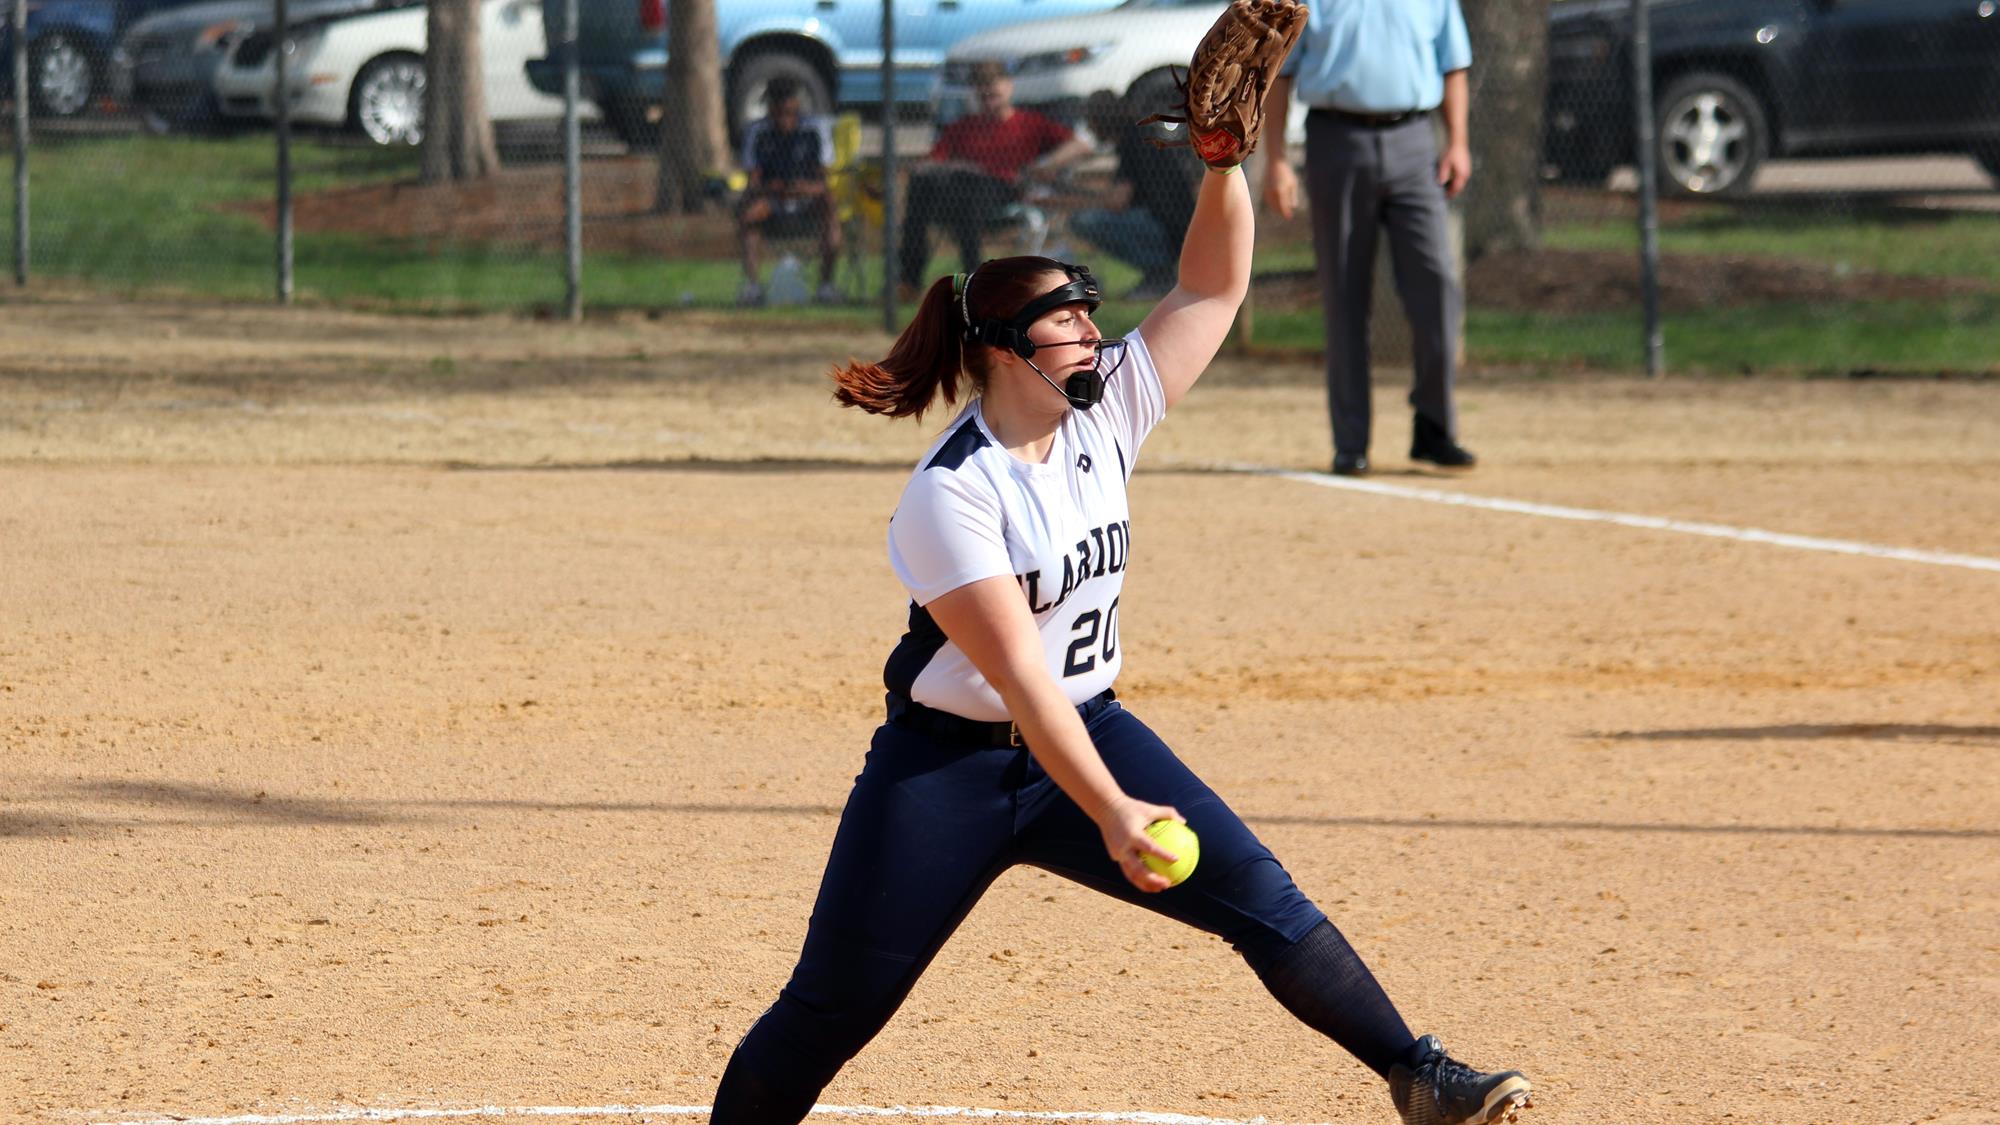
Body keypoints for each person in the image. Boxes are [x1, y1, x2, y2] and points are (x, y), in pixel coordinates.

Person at [708, 137, 1533, 1124]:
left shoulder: (1100, 418)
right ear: (1006, 346)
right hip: (945, 777)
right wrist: (1109, 810)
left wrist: (1223, 165)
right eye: (1066, 318)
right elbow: (1017, 678)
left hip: (1092, 730)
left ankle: (1420, 1077)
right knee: (831, 1008)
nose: (1093, 335)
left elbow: (1213, 287)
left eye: (1090, 314)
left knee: (1263, 900)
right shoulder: (952, 495)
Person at [1261, 0, 1480, 477]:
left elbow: (1453, 64)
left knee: (1437, 286)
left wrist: (1458, 141)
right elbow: (1280, 73)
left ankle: (1434, 426)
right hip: (1337, 140)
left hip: (1415, 140)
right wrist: (1276, 158)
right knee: (1344, 297)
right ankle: (1351, 442)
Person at [897, 60, 1096, 296]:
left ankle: (974, 280)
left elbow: (1082, 146)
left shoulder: (1029, 123)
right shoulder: (963, 127)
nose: (987, 92)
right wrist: (947, 166)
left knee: (969, 192)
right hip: (955, 191)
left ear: (1009, 87)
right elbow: (931, 162)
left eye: (993, 85)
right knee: (923, 185)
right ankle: (909, 280)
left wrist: (1045, 165)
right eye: (981, 87)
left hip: (1003, 190)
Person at [1070, 90, 1198, 301]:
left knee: (1085, 221)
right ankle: (1158, 274)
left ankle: (1160, 274)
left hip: (1168, 230)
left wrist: (1067, 202)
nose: (1090, 129)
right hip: (1173, 225)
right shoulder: (1137, 135)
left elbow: (1117, 202)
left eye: (1090, 122)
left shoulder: (1134, 141)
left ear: (1101, 120)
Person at [735, 77, 842, 307]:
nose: (785, 119)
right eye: (779, 112)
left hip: (807, 199)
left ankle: (825, 286)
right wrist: (772, 188)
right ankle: (753, 287)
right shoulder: (758, 131)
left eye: (790, 112)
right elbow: (752, 182)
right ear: (771, 109)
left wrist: (805, 188)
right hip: (772, 200)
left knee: (830, 206)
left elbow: (825, 181)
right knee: (748, 214)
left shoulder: (814, 129)